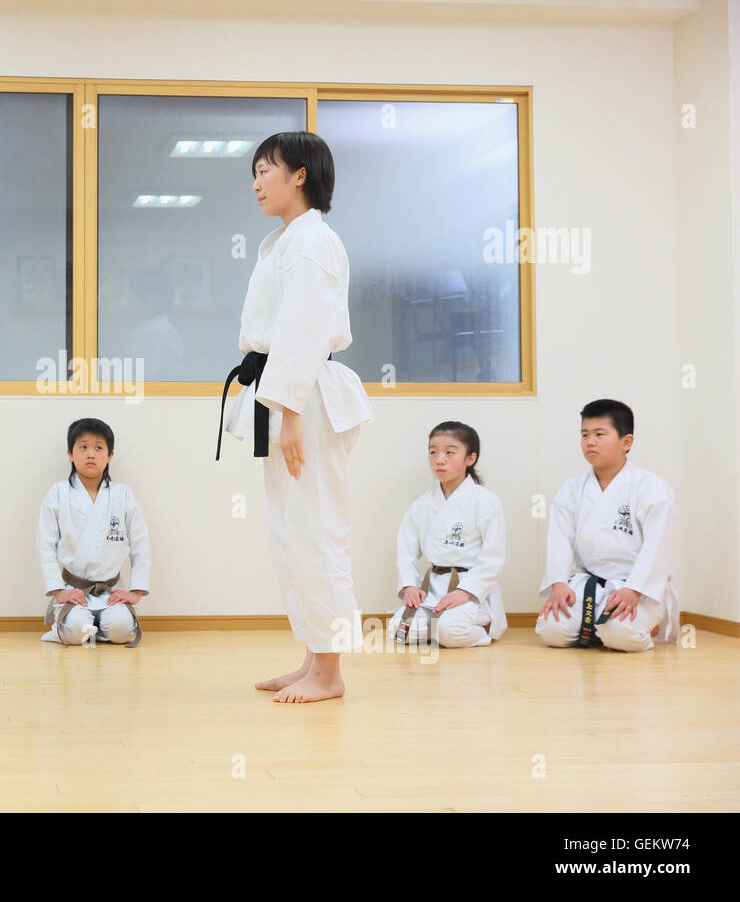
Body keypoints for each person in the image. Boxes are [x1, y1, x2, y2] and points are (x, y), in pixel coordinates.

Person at [218, 131, 373, 703]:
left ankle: (330, 672)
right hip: (286, 393)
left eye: (266, 170)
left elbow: (305, 331)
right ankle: (313, 657)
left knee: (316, 529)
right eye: (254, 173)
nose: (257, 183)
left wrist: (289, 412)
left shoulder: (312, 243)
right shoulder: (287, 242)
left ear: (299, 175)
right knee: (291, 532)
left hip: (305, 399)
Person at [536, 399, 678, 651]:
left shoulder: (651, 487)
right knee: (552, 632)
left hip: (635, 586)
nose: (590, 441)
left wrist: (634, 590)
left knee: (622, 635)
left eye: (600, 434)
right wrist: (558, 583)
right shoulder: (572, 488)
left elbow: (658, 547)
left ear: (627, 442)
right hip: (587, 581)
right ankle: (596, 626)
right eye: (585, 434)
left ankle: (641, 625)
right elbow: (559, 540)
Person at [390, 421, 507, 648]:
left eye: (449, 452)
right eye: (433, 452)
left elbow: (493, 557)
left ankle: (482, 631)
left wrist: (466, 591)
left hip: (470, 587)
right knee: (400, 630)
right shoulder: (422, 505)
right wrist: (410, 586)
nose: (439, 459)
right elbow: (406, 550)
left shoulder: (486, 502)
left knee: (449, 630)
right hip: (433, 586)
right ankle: (438, 629)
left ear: (470, 459)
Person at [38, 419, 150, 646]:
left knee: (121, 630)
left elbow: (140, 543)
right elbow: (45, 545)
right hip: (75, 590)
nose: (91, 454)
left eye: (99, 448)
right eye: (83, 447)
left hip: (111, 591)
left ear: (109, 456)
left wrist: (136, 591)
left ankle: (99, 627)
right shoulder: (58, 493)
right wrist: (59, 592)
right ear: (70, 454)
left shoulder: (122, 494)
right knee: (75, 632)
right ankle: (80, 626)